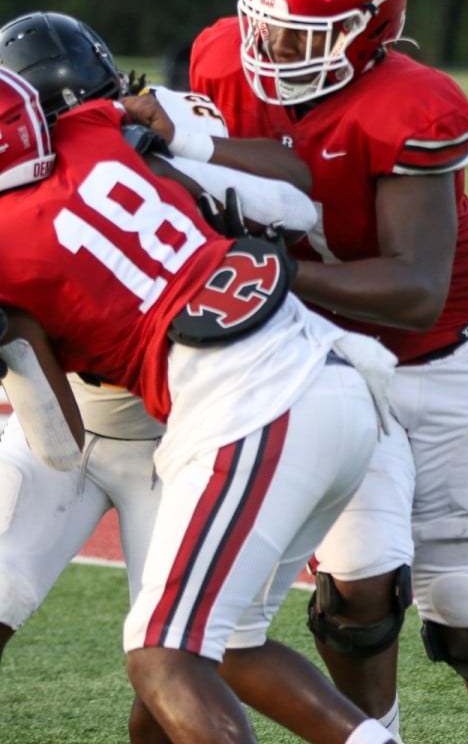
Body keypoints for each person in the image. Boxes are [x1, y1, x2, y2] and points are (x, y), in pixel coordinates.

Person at [187, 0, 468, 744]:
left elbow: (416, 288)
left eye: (300, 34)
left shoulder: (414, 105)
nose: (273, 49)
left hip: (449, 355)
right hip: (333, 360)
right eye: (267, 27)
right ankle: (375, 736)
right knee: (358, 588)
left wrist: (269, 274)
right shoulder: (220, 59)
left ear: (367, 30)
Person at [0, 66, 397, 744]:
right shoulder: (96, 126)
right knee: (222, 649)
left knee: (163, 658)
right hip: (332, 369)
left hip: (243, 402)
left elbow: (57, 443)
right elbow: (294, 201)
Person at [0, 11, 318, 669]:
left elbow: (289, 203)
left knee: (186, 665)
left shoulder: (148, 136)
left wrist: (190, 174)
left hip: (181, 429)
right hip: (73, 417)